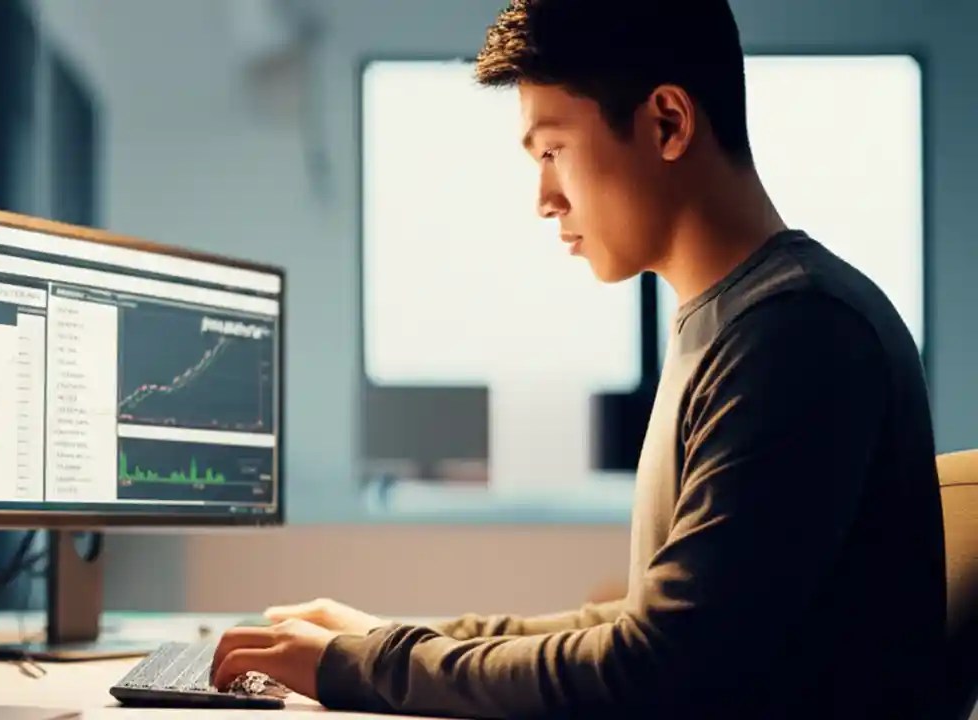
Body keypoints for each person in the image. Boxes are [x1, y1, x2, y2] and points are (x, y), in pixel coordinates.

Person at [210, 0, 947, 716]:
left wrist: (368, 665)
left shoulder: (797, 332)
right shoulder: (736, 323)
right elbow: (642, 625)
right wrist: (385, 639)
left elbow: (656, 664)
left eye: (554, 150)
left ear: (667, 122)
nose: (544, 198)